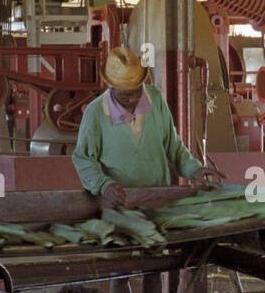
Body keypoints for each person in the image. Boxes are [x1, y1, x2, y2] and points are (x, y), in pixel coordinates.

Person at [71, 46, 224, 207]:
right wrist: (104, 185)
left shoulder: (155, 99)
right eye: (125, 94)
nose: (133, 99)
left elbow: (173, 147)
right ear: (111, 86)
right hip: (118, 203)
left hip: (158, 197)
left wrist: (194, 169)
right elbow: (83, 159)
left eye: (137, 91)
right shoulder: (96, 112)